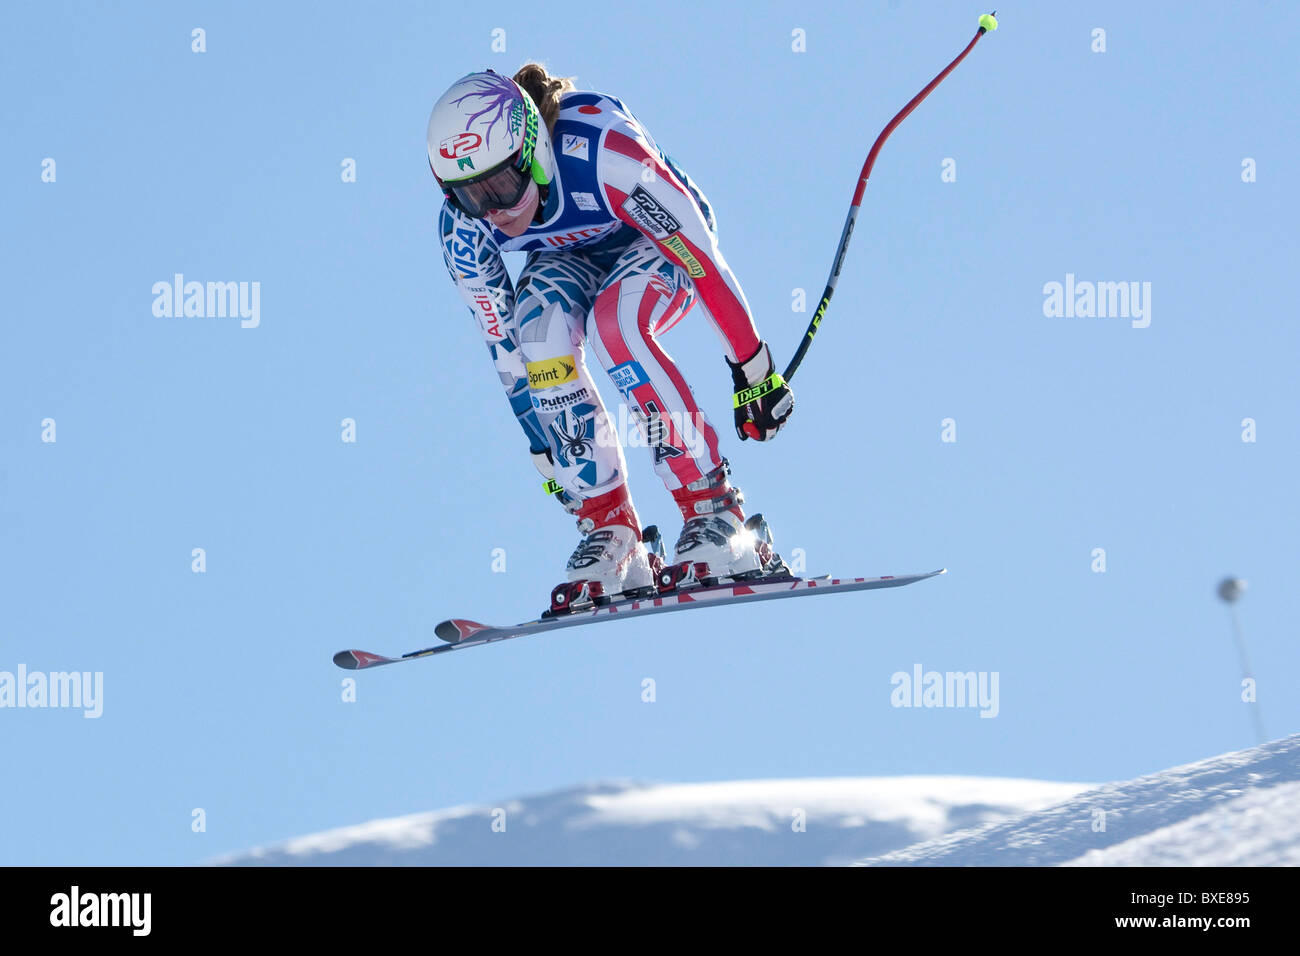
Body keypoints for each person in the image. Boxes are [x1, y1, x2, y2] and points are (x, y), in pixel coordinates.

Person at [427, 65, 794, 603]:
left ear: (534, 151)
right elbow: (500, 339)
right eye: (472, 196)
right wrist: (542, 445)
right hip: (568, 258)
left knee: (615, 327)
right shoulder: (463, 226)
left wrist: (753, 370)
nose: (496, 211)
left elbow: (700, 260)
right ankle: (611, 527)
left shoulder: (604, 155)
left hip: (653, 246)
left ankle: (714, 511)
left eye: (504, 185)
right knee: (538, 331)